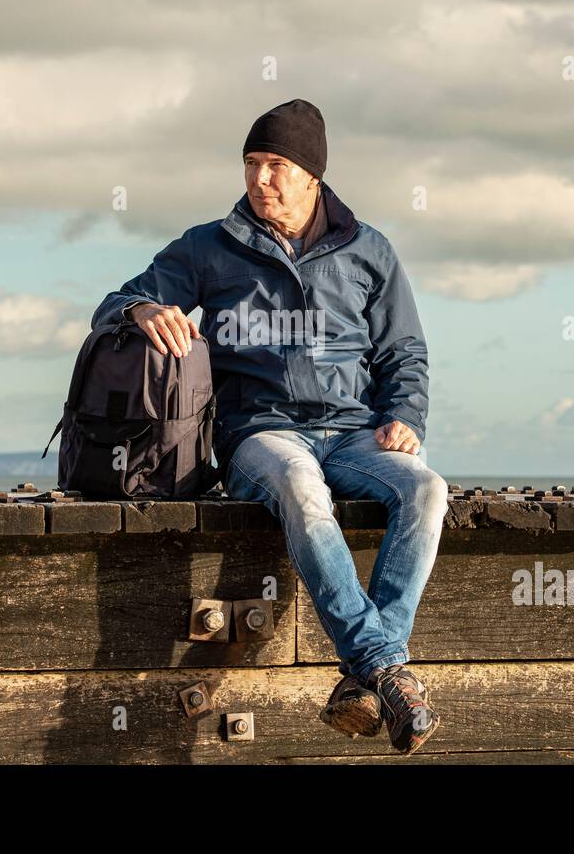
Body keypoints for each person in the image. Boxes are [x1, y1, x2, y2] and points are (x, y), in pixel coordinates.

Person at [92, 99, 448, 754]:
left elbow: (404, 351)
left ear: (312, 175)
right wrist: (143, 309)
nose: (260, 178)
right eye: (252, 163)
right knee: (299, 484)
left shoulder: (370, 251)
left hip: (353, 433)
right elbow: (116, 301)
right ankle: (385, 666)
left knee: (428, 489)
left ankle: (368, 677)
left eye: (276, 165)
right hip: (261, 434)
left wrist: (404, 416)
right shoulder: (209, 246)